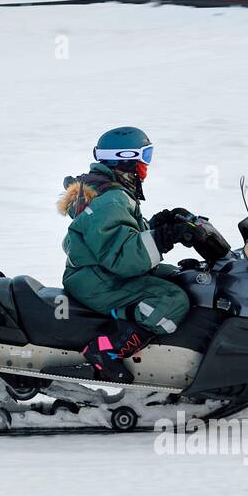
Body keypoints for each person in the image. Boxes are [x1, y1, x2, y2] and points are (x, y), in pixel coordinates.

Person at [58, 127, 197, 383]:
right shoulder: (111, 200)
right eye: (146, 155)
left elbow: (122, 236)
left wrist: (159, 224)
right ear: (126, 158)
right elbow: (122, 257)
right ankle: (105, 349)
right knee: (173, 298)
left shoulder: (107, 192)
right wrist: (166, 237)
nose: (146, 165)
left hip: (98, 273)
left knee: (184, 277)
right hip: (99, 282)